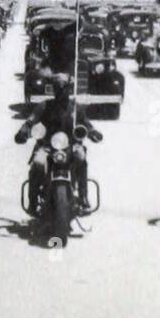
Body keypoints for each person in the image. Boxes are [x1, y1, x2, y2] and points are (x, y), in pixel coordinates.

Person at [14, 74, 103, 214]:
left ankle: (83, 196)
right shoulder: (44, 106)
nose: (61, 91)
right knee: (38, 162)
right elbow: (30, 121)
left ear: (69, 88)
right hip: (47, 146)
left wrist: (93, 132)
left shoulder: (75, 108)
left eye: (64, 87)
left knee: (81, 157)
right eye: (57, 87)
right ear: (53, 89)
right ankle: (33, 200)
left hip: (71, 146)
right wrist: (23, 131)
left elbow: (86, 123)